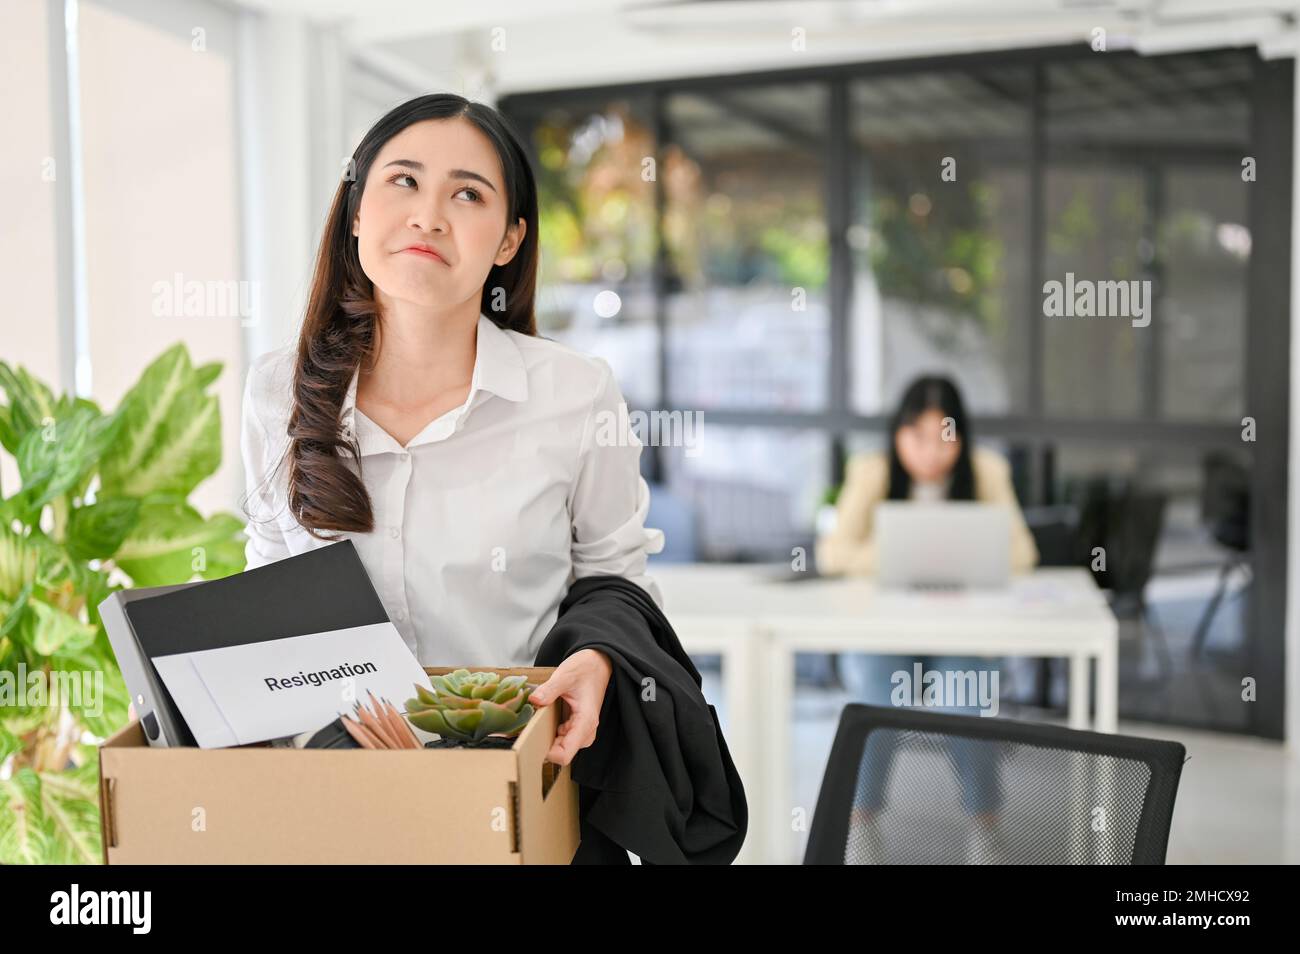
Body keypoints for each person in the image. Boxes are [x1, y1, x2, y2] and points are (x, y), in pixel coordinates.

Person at [238, 94, 665, 770]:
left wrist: (599, 659)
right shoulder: (275, 390)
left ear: (509, 241)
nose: (428, 217)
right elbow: (265, 576)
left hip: (517, 784)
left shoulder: (575, 395)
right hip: (330, 795)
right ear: (355, 211)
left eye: (467, 195)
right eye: (403, 180)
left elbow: (615, 576)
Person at [814, 375, 1039, 862]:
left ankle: (985, 822)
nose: (931, 453)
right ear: (898, 433)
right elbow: (832, 554)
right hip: (885, 631)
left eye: (945, 436)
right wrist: (905, 548)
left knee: (963, 702)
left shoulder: (988, 472)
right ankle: (861, 821)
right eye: (917, 436)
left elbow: (1024, 552)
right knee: (874, 699)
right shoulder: (871, 471)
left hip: (963, 630)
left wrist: (951, 548)